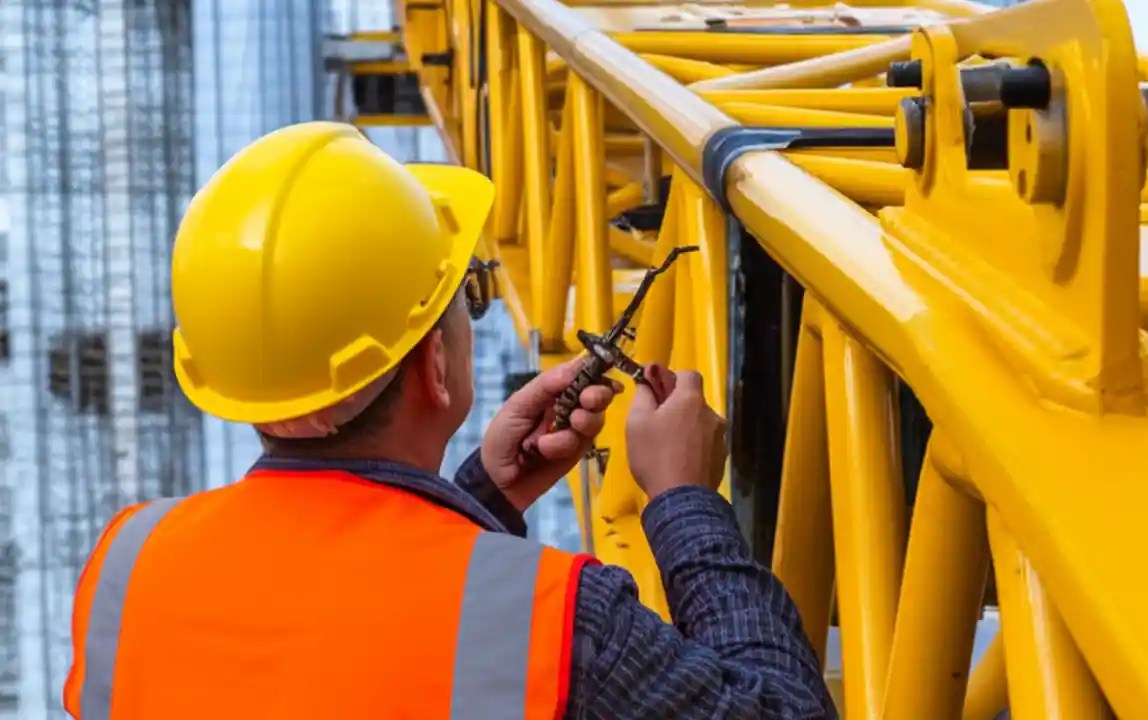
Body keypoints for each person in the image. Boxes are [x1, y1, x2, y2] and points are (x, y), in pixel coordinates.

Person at [63, 121, 836, 719]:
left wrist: (482, 499)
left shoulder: (126, 572)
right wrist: (685, 501)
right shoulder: (562, 617)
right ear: (434, 364)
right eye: (467, 294)